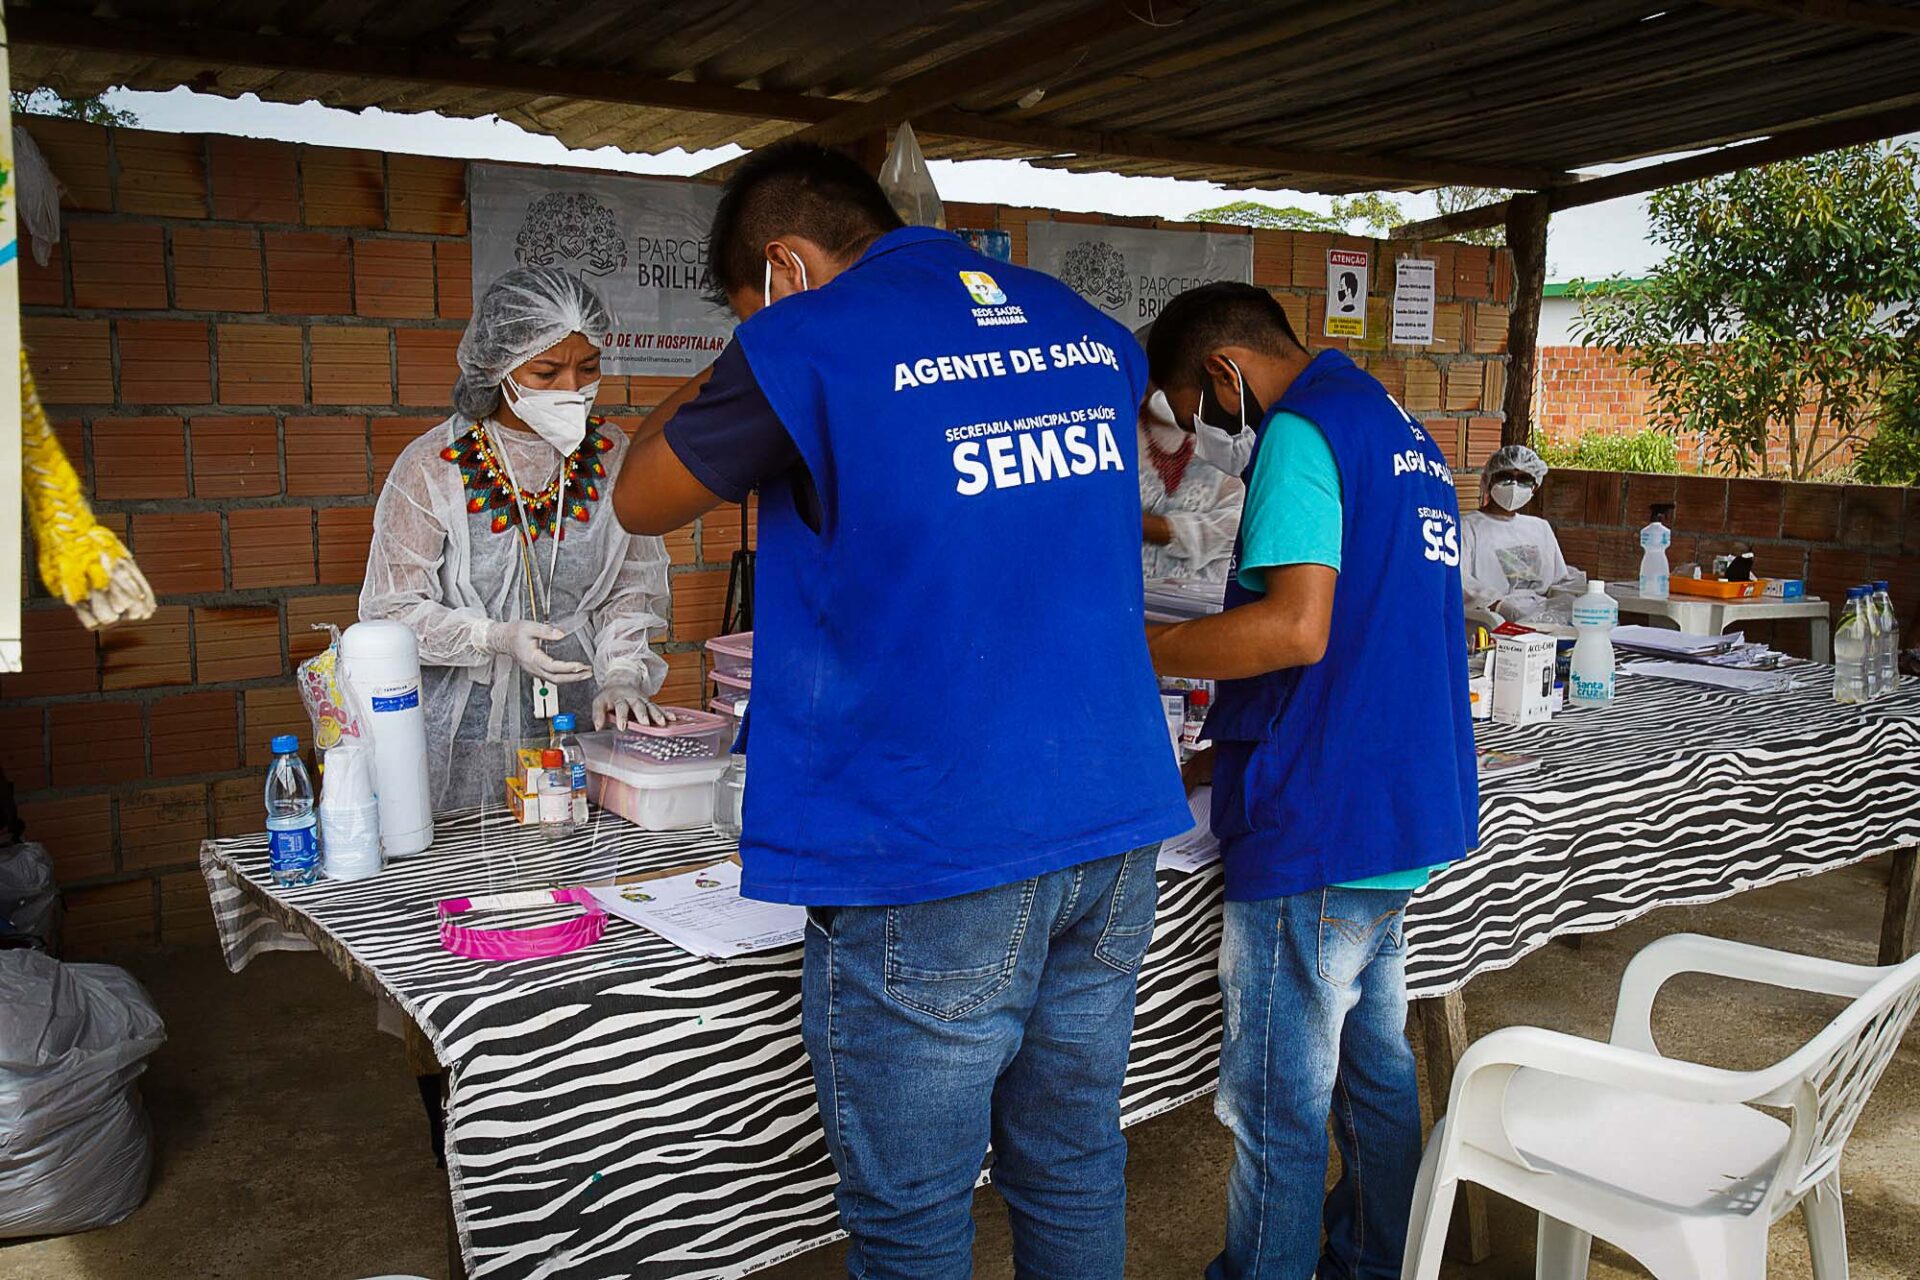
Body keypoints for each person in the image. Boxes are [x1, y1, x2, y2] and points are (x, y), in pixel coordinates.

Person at [612, 141, 1190, 1279]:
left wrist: (762, 341)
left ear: (784, 264)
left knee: (914, 1211)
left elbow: (638, 494)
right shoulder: (1079, 323)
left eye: (753, 301)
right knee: (1070, 1159)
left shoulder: (807, 340)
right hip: (1112, 815)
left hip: (933, 842)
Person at [1143, 283, 1478, 1280]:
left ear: (1225, 370)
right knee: (1370, 1066)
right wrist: (1216, 752)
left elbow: (1296, 626)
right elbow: (1364, 628)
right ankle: (1377, 1255)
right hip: (1396, 805)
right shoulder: (1398, 426)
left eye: (1200, 410)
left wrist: (1137, 648)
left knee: (1275, 1094)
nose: (1206, 432)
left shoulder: (1301, 431)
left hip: (1324, 819)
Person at [361, 267, 671, 811]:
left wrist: (623, 673)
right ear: (495, 368)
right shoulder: (433, 468)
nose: (572, 390)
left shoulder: (612, 457)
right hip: (464, 724)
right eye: (547, 372)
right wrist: (492, 636)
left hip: (585, 720)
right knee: (477, 868)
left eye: (589, 368)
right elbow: (391, 612)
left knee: (581, 853)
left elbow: (633, 585)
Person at [1460, 444, 1585, 623]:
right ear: (1488, 480)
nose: (1514, 485)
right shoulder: (1467, 527)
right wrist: (1499, 606)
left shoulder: (1540, 528)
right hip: (1490, 620)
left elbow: (1560, 581)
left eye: (1524, 479)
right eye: (1505, 477)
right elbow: (1459, 581)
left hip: (1542, 618)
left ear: (1534, 487)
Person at [1139, 385, 1246, 583]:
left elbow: (1236, 527)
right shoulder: (1117, 432)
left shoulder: (1230, 438)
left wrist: (1160, 529)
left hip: (1202, 603)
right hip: (1126, 595)